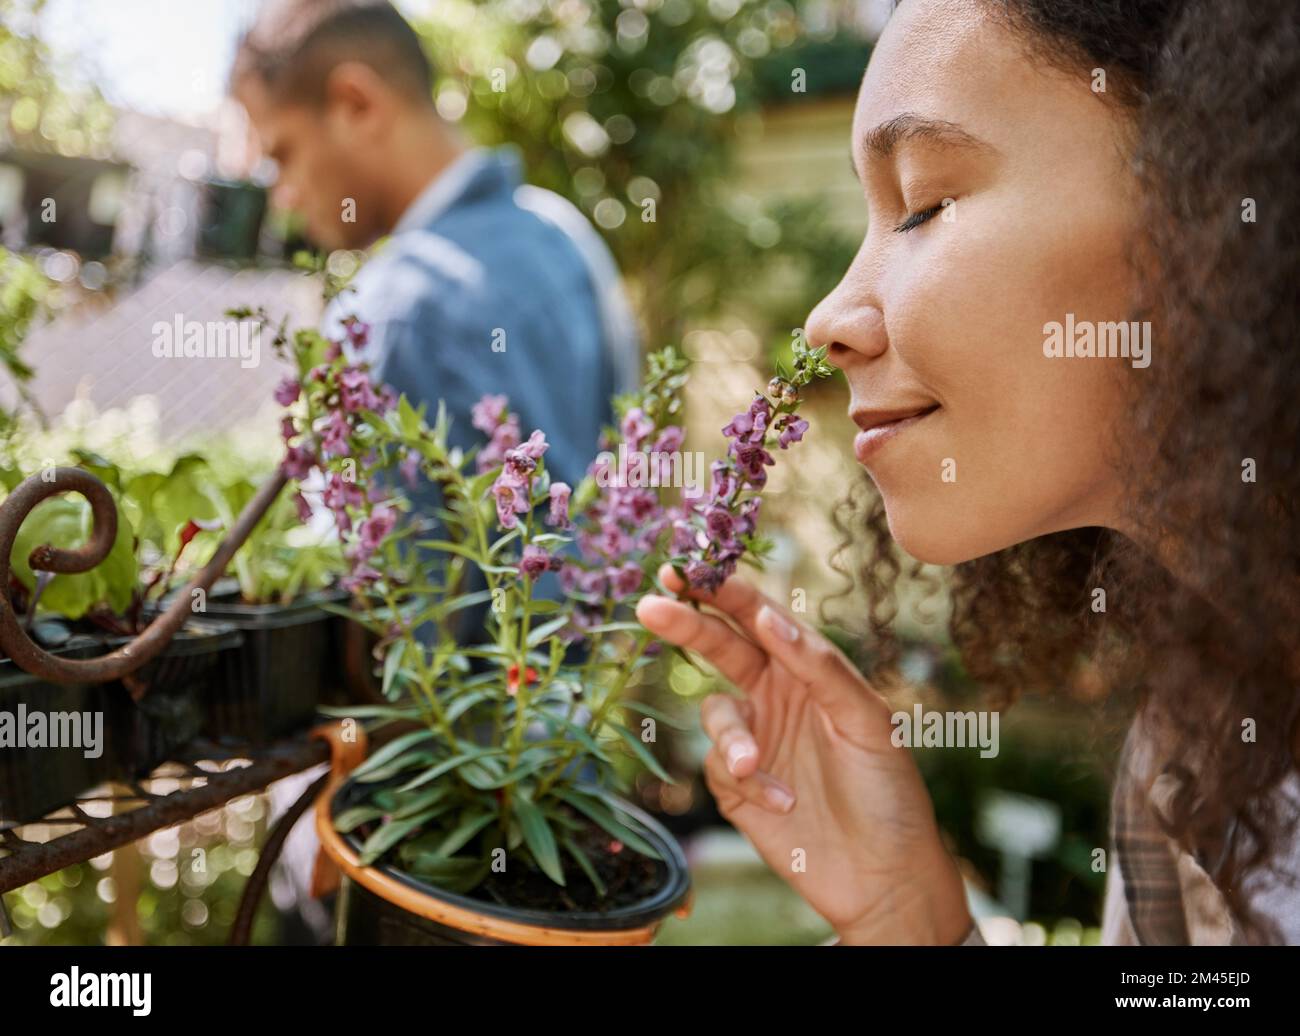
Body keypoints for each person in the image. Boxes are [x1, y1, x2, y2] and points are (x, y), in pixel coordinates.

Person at [636, 0, 1300, 945]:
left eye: (922, 206)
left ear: (1221, 197)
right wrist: (913, 919)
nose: (829, 319)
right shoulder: (1199, 738)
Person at [230, 0, 639, 516]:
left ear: (356, 105)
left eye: (282, 154)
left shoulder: (393, 305)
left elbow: (381, 582)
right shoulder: (565, 232)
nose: (283, 196)